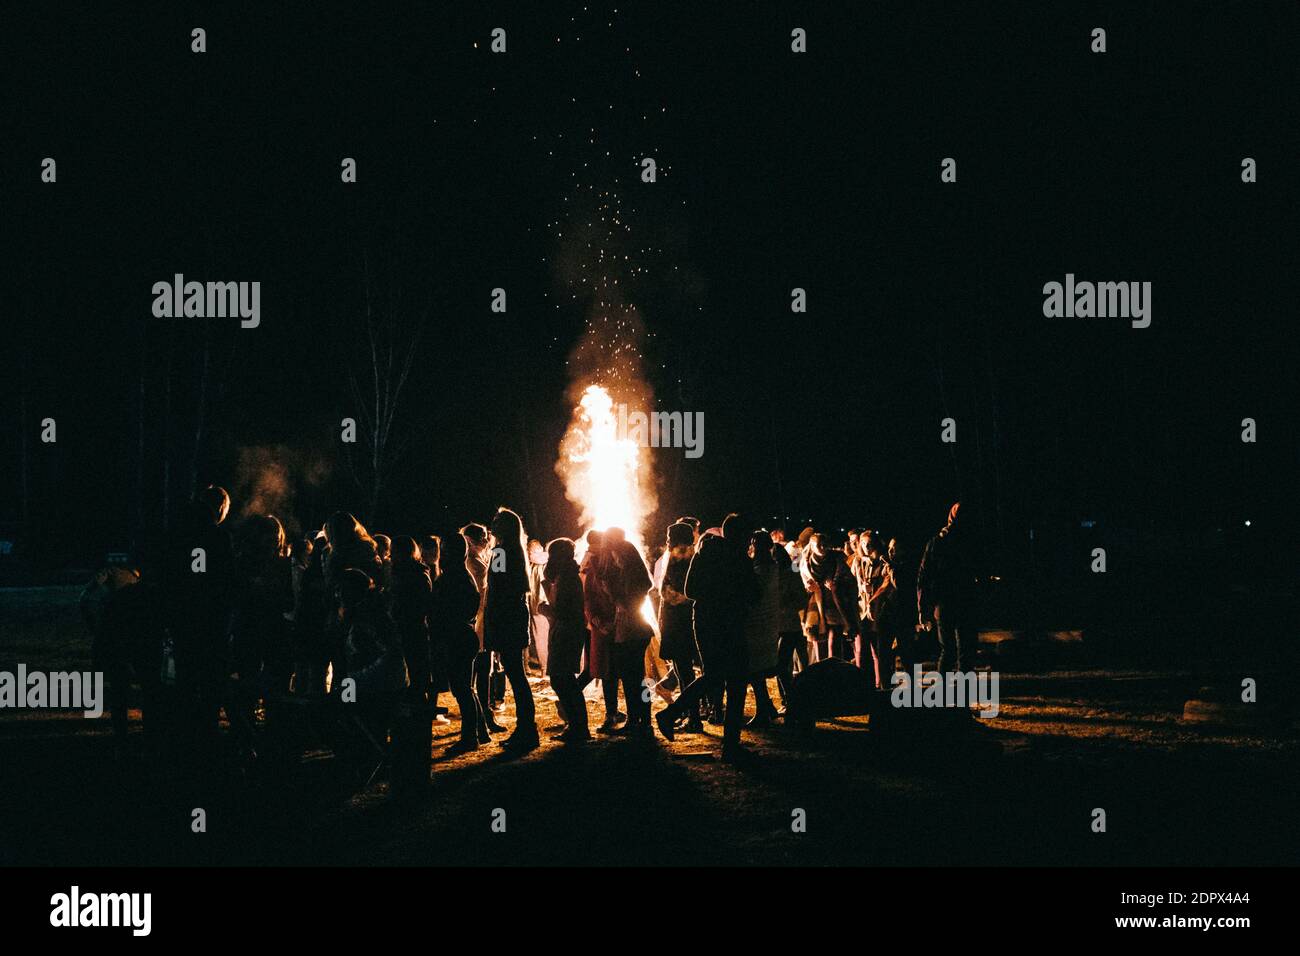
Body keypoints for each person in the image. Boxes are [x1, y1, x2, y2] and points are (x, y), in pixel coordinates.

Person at [656, 513, 759, 762]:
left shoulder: (704, 553)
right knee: (734, 681)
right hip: (729, 623)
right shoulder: (738, 558)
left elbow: (691, 589)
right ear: (740, 536)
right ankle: (730, 745)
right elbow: (755, 593)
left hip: (703, 622)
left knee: (714, 675)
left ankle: (672, 715)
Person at [163, 484, 237, 752]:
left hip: (182, 618)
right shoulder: (216, 538)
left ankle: (182, 734)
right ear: (220, 509)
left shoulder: (177, 532)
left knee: (185, 678)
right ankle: (204, 735)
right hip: (209, 622)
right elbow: (225, 582)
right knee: (210, 681)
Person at [228, 514, 294, 758]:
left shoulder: (283, 563)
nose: (273, 538)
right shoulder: (246, 561)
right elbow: (235, 595)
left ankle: (269, 735)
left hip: (272, 630)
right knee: (247, 683)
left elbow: (289, 599)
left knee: (274, 686)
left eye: (275, 534)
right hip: (250, 628)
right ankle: (247, 736)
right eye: (268, 533)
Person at [484, 508, 538, 750]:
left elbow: (497, 588)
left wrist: (493, 623)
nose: (492, 524)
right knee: (517, 675)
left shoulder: (501, 552)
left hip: (507, 618)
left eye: (496, 521)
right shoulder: (512, 551)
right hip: (513, 616)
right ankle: (526, 728)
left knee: (516, 675)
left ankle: (526, 730)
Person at [430, 531, 489, 752]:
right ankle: (478, 732)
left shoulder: (454, 577)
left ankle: (470, 738)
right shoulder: (460, 574)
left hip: (457, 636)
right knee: (465, 688)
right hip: (463, 635)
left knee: (463, 689)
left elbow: (446, 610)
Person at [539, 537, 590, 742]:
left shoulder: (567, 578)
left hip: (567, 631)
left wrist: (544, 608)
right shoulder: (566, 575)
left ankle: (578, 727)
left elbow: (564, 610)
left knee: (563, 679)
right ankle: (576, 725)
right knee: (563, 679)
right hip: (567, 630)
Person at [605, 528, 654, 738]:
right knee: (639, 678)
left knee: (631, 678)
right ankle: (645, 720)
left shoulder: (627, 575)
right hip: (638, 629)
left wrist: (612, 593)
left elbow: (624, 604)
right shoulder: (634, 570)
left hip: (631, 629)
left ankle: (636, 720)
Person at [917, 502, 978, 674]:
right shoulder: (971, 542)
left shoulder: (937, 542)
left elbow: (923, 577)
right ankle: (964, 692)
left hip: (944, 603)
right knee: (965, 650)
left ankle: (943, 691)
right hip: (965, 599)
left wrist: (923, 607)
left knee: (948, 650)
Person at [657, 522, 702, 732]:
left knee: (685, 671)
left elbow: (681, 593)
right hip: (675, 620)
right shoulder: (676, 558)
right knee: (681, 669)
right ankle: (688, 714)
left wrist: (674, 598)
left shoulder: (685, 559)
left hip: (681, 622)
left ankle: (693, 716)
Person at [461, 522, 506, 734]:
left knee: (485, 668)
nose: (486, 538)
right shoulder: (469, 558)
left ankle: (485, 715)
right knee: (477, 668)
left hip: (485, 618)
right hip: (476, 619)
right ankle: (478, 718)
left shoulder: (486, 556)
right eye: (482, 535)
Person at [581, 530, 623, 733]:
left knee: (625, 673)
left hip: (621, 625)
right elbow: (587, 598)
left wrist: (617, 618)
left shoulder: (620, 566)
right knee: (605, 671)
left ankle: (638, 718)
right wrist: (596, 620)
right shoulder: (592, 567)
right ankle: (611, 713)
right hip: (601, 628)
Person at [744, 531, 783, 728]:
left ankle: (763, 710)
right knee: (756, 668)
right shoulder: (774, 567)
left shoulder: (761, 570)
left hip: (757, 623)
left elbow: (753, 596)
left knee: (754, 669)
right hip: (768, 622)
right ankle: (766, 706)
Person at [389, 536, 433, 709]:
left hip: (412, 631)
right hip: (406, 630)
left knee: (415, 678)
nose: (391, 555)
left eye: (394, 551)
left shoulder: (415, 574)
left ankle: (418, 723)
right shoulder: (404, 572)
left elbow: (423, 605)